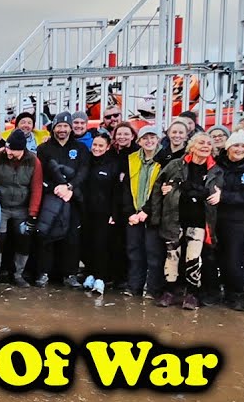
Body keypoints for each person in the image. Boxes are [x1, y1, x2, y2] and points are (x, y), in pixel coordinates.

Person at [146, 133, 218, 310]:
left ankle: (192, 294)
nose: (205, 146)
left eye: (209, 144)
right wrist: (156, 216)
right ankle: (169, 291)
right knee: (172, 256)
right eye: (201, 142)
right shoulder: (175, 165)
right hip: (173, 218)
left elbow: (215, 191)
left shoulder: (215, 170)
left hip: (199, 220)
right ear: (192, 146)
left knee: (193, 258)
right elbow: (157, 187)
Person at [0, 129, 42, 288]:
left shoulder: (33, 161)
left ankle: (18, 274)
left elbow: (37, 188)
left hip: (22, 207)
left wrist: (33, 214)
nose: (8, 152)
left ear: (22, 149)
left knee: (24, 239)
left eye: (13, 150)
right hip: (0, 207)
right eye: (7, 149)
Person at [209, 131, 244, 310]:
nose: (239, 149)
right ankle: (215, 290)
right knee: (213, 257)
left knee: (234, 259)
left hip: (239, 221)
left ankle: (236, 293)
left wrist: (224, 196)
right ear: (228, 147)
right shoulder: (218, 164)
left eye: (243, 146)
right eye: (236, 145)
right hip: (215, 218)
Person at [33, 112, 89, 288]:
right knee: (47, 236)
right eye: (59, 126)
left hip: (72, 198)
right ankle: (44, 273)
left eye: (66, 126)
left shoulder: (80, 149)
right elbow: (39, 174)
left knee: (72, 237)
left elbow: (83, 171)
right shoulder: (44, 149)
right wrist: (53, 188)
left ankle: (70, 274)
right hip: (51, 198)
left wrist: (70, 187)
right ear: (54, 127)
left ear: (70, 128)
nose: (62, 129)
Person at [122, 125, 166, 298]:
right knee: (134, 252)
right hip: (134, 214)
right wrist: (129, 213)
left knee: (153, 253)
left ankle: (153, 289)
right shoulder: (131, 159)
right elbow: (125, 188)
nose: (149, 141)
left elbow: (160, 190)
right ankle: (134, 286)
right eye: (145, 138)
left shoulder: (165, 159)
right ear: (139, 141)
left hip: (154, 214)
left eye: (152, 137)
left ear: (158, 140)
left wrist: (147, 211)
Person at [79, 131, 123, 293]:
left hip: (105, 212)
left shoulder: (113, 164)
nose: (96, 148)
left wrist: (114, 213)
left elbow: (117, 191)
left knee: (101, 245)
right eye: (95, 145)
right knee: (87, 243)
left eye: (100, 145)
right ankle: (90, 273)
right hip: (87, 210)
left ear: (107, 147)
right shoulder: (87, 161)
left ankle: (101, 278)